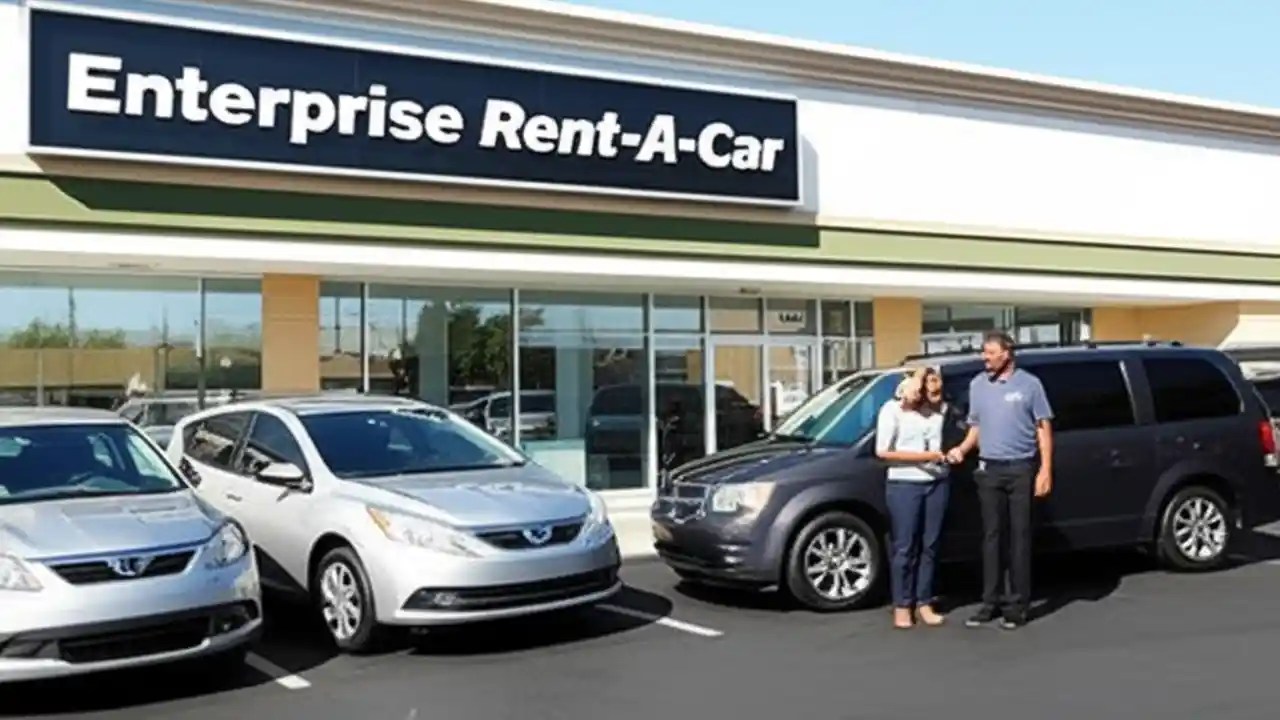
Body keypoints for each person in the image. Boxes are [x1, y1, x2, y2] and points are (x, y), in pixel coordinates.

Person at [946, 331, 1054, 630]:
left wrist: (1045, 470)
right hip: (988, 470)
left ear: (1007, 353)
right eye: (984, 352)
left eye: (990, 352)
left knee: (1019, 537)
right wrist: (961, 449)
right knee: (991, 537)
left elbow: (1043, 429)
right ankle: (989, 602)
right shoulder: (978, 385)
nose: (985, 357)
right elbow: (975, 427)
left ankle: (1017, 605)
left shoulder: (1030, 385)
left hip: (1020, 468)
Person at [876, 366, 953, 629]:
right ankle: (902, 604)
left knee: (930, 545)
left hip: (937, 482)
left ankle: (924, 601)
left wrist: (950, 454)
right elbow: (883, 452)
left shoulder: (941, 412)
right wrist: (926, 457)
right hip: (904, 483)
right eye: (928, 383)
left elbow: (960, 434)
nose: (933, 388)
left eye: (937, 382)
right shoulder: (893, 410)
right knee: (905, 546)